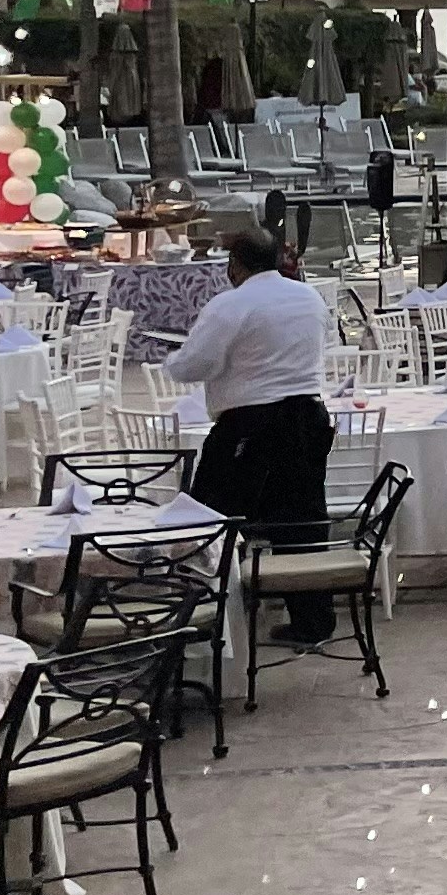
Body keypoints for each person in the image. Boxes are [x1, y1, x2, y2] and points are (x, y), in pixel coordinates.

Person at [165, 227, 340, 638]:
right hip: (308, 417)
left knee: (209, 518)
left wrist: (172, 360)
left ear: (235, 265)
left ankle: (205, 621)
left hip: (251, 424)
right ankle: (312, 620)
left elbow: (194, 365)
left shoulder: (231, 304)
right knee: (302, 520)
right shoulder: (308, 296)